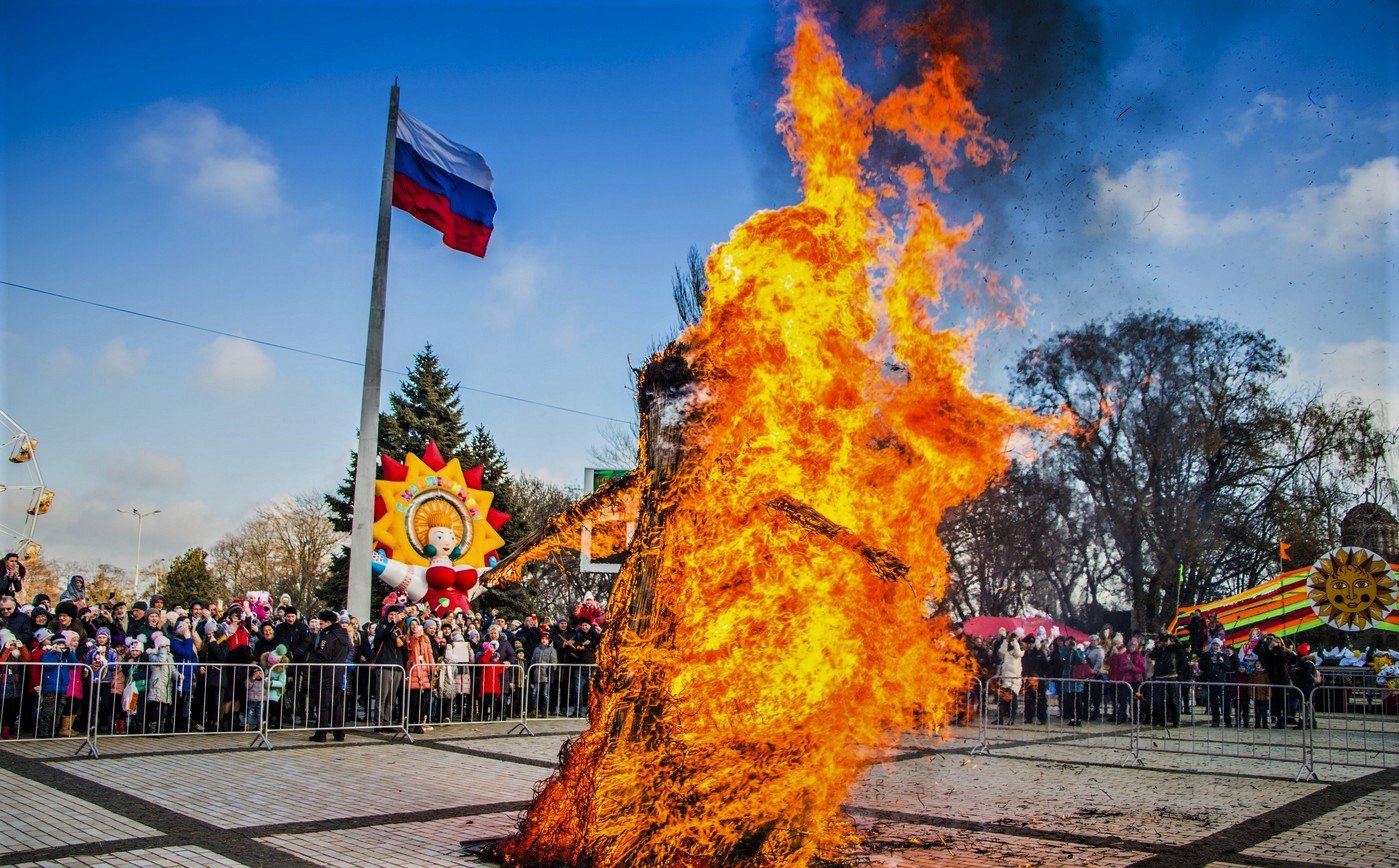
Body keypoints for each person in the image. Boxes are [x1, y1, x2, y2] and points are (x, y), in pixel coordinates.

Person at [308, 609, 351, 742]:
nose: (320, 626)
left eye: (321, 623)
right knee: (337, 704)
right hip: (338, 673)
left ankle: (321, 734)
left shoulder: (329, 635)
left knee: (323, 705)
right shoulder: (343, 634)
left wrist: (313, 663)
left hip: (326, 673)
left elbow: (323, 655)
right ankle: (339, 733)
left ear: (327, 622)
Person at [371, 606, 406, 730]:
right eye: (391, 614)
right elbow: (382, 637)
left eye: (395, 614)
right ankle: (378, 722)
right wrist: (392, 624)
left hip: (397, 666)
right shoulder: (382, 626)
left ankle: (387, 721)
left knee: (391, 697)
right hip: (385, 664)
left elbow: (402, 648)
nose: (393, 616)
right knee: (382, 695)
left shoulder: (398, 630)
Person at [404, 617, 435, 734]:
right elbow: (410, 648)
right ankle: (411, 722)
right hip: (414, 669)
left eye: (416, 624)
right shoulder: (408, 637)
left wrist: (432, 667)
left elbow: (429, 653)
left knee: (424, 700)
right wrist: (416, 636)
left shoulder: (425, 638)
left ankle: (419, 722)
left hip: (424, 670)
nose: (414, 626)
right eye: (412, 624)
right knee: (414, 699)